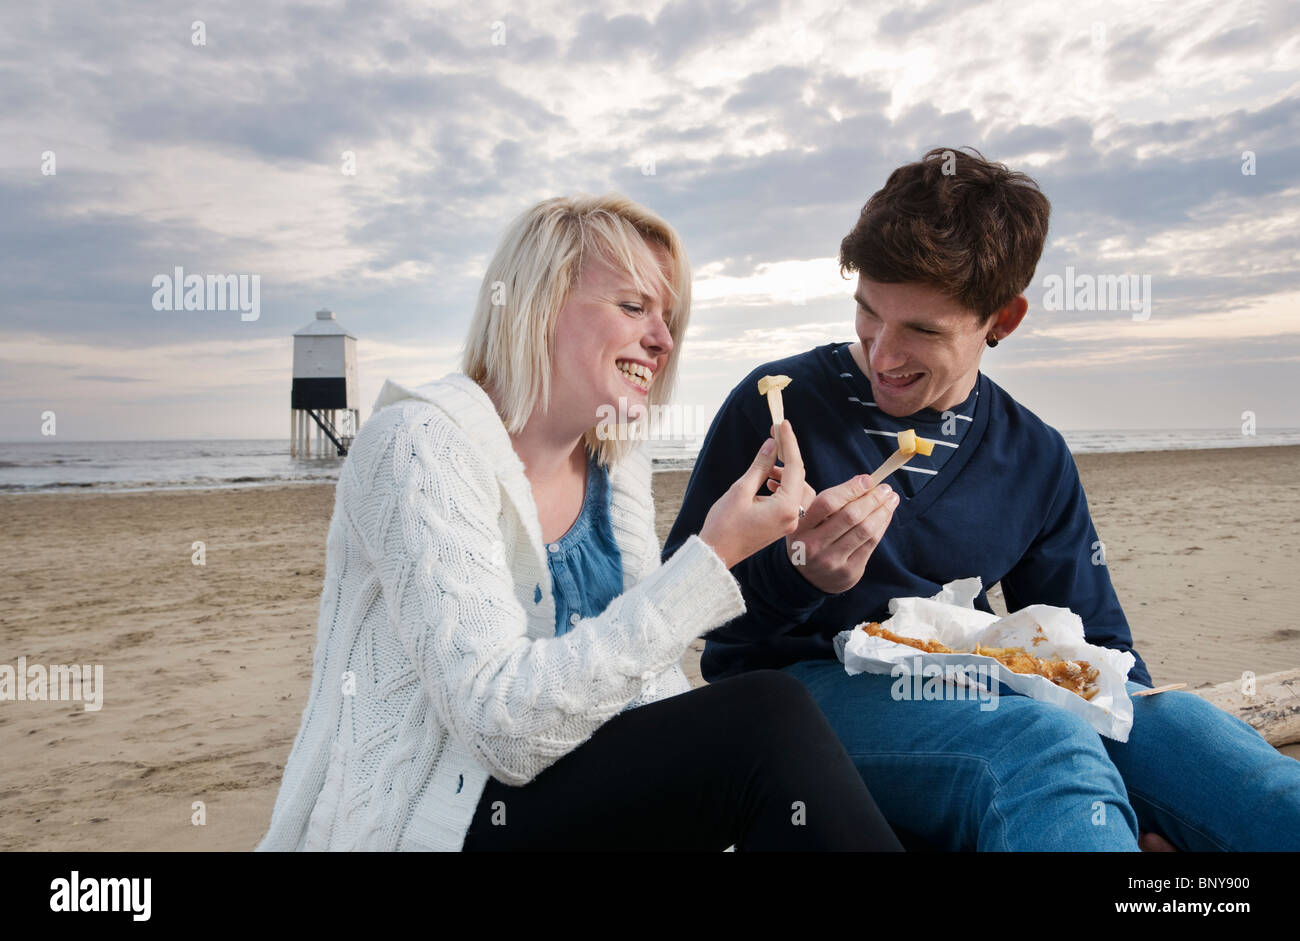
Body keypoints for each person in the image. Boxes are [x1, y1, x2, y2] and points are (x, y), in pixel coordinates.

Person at [664, 147, 1300, 852]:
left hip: (978, 691)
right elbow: (686, 615)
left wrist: (1149, 780)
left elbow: (1095, 645)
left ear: (1005, 317)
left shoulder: (1035, 455)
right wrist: (797, 571)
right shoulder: (776, 407)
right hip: (793, 701)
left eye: (923, 330)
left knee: (1192, 733)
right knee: (1040, 745)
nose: (881, 353)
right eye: (868, 312)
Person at [256, 193, 903, 851]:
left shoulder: (612, 466)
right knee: (770, 718)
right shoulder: (419, 444)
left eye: (669, 317)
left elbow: (648, 688)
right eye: (632, 306)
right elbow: (502, 727)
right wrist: (713, 553)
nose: (662, 339)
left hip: (565, 799)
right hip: (433, 824)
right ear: (536, 305)